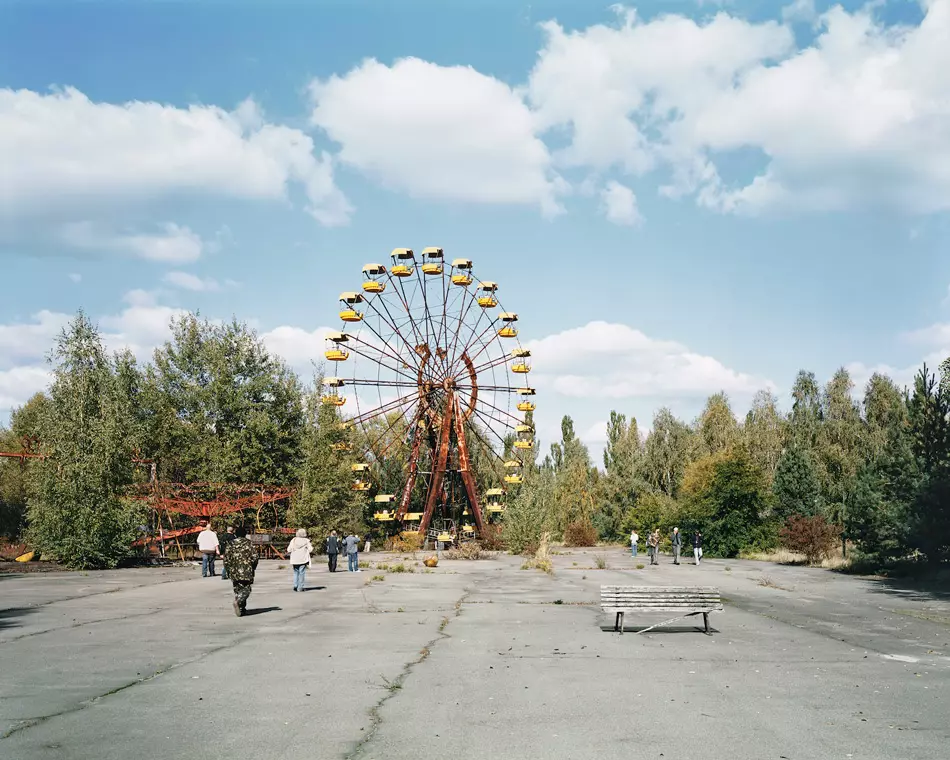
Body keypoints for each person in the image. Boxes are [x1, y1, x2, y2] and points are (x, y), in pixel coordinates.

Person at [223, 526, 258, 617]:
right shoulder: (249, 543)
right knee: (246, 589)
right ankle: (238, 602)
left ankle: (242, 609)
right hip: (246, 570)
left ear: (236, 534)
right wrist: (253, 567)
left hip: (234, 571)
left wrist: (227, 570)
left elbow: (226, 559)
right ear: (245, 534)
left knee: (238, 590)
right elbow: (255, 557)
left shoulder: (230, 544)